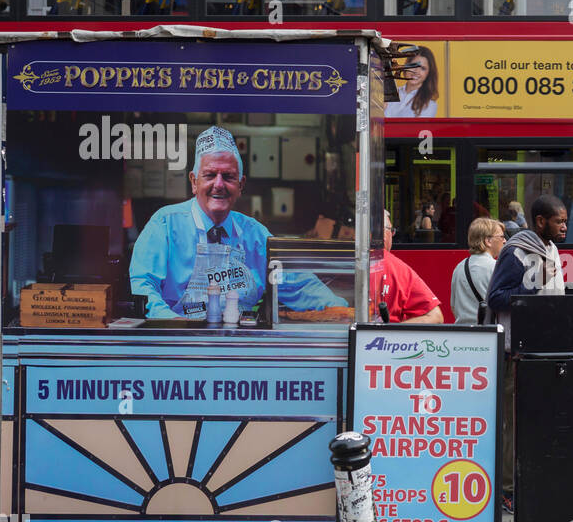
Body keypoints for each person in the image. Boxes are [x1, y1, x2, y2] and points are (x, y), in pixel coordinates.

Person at [129, 126, 345, 319]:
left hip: (239, 349)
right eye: (210, 175)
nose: (219, 184)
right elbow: (143, 287)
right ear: (194, 182)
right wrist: (174, 324)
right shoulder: (165, 225)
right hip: (176, 348)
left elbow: (299, 284)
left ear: (241, 185)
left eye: (229, 176)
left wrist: (344, 311)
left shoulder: (256, 236)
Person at [486, 195, 568, 511]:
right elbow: (496, 298)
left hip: (542, 350)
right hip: (516, 354)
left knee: (534, 421)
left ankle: (525, 480)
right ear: (539, 221)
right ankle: (507, 490)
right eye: (558, 221)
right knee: (514, 425)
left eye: (564, 220)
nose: (564, 226)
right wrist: (533, 289)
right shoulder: (517, 253)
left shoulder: (550, 249)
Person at [372, 210, 443, 324]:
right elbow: (435, 317)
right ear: (383, 234)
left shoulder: (342, 261)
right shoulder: (399, 269)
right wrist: (394, 332)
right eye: (391, 230)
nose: (393, 235)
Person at [450, 217, 505, 324]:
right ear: (488, 241)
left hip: (462, 332)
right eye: (501, 237)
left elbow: (453, 306)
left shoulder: (459, 267)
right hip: (487, 334)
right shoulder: (496, 268)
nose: (504, 241)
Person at [385, 46, 439, 119]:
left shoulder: (429, 105)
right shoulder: (389, 94)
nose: (416, 71)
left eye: (423, 68)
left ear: (429, 73)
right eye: (413, 65)